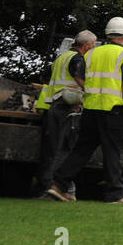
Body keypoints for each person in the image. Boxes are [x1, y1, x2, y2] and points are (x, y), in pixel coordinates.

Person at [48, 17, 123, 204]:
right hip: (113, 110)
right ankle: (115, 194)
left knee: (82, 150)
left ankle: (58, 185)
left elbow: (82, 78)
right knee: (113, 152)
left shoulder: (90, 54)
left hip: (90, 109)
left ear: (107, 34)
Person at [33, 30, 94, 199]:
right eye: (93, 44)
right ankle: (58, 188)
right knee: (65, 149)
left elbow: (46, 77)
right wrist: (91, 93)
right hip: (68, 107)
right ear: (87, 45)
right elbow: (80, 79)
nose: (93, 47)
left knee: (51, 149)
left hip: (54, 106)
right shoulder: (77, 58)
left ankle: (44, 188)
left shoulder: (61, 57)